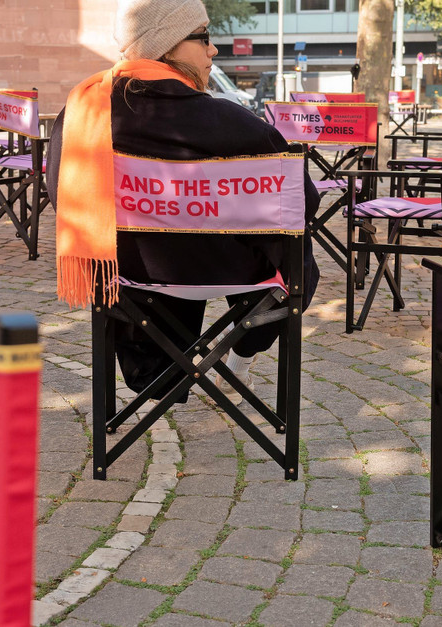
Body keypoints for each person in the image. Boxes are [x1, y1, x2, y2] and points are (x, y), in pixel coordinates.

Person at [46, 0, 320, 404]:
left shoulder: (82, 112)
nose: (214, 50)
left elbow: (61, 196)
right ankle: (243, 346)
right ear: (169, 45)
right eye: (204, 37)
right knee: (297, 253)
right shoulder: (231, 123)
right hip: (224, 272)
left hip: (126, 278)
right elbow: (303, 203)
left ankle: (162, 369)